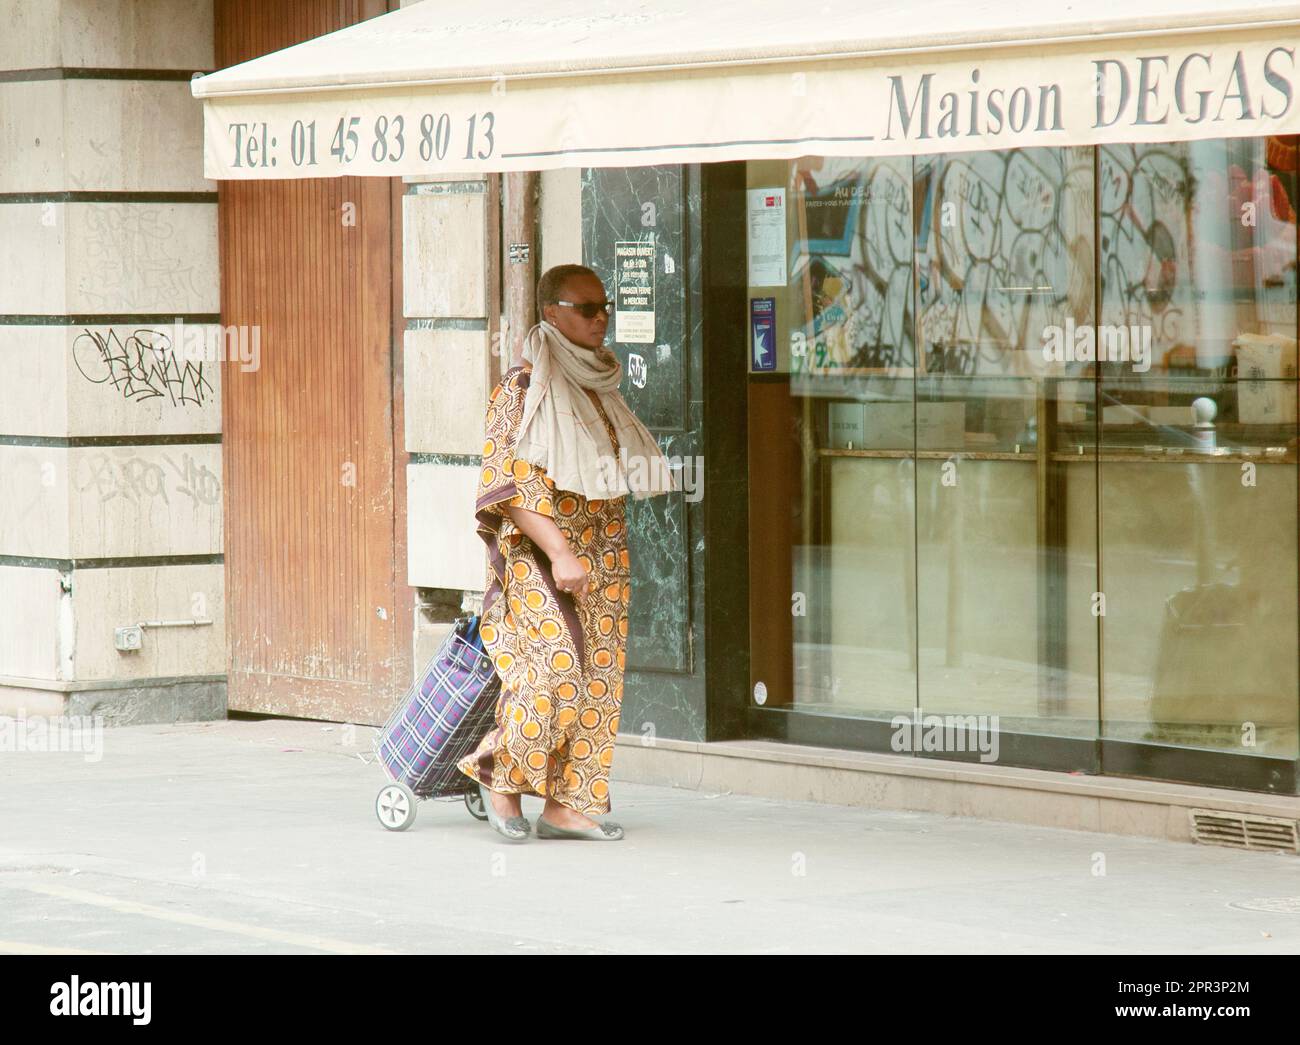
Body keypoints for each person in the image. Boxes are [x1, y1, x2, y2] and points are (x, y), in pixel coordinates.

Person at [456, 264, 677, 841]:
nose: (601, 316)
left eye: (605, 306)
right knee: (555, 671)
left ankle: (567, 804)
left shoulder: (596, 383)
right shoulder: (523, 388)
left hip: (604, 552)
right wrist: (559, 552)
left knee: (598, 680)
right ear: (552, 312)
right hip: (539, 554)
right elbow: (508, 485)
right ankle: (499, 777)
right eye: (587, 308)